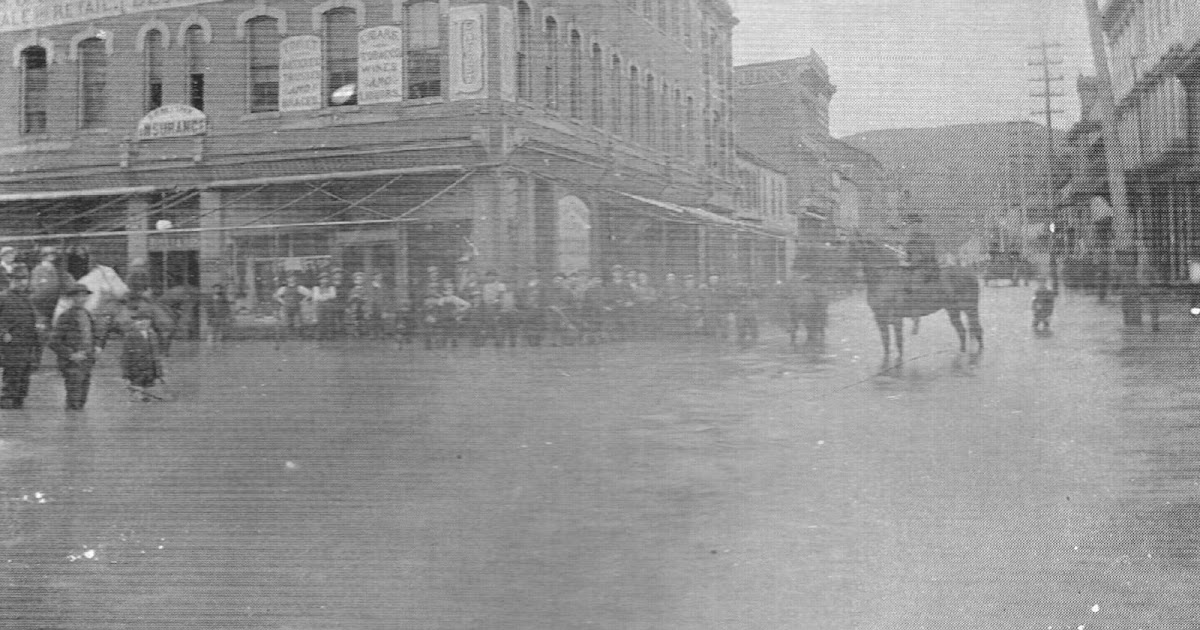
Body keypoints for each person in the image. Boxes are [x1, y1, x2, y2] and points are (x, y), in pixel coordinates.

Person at [48, 284, 106, 411]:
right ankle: (71, 425)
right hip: (72, 364)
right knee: (74, 400)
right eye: (78, 296)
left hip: (87, 362)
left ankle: (79, 426)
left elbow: (96, 335)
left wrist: (97, 347)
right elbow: (53, 342)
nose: (82, 298)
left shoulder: (88, 315)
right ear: (72, 298)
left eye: (84, 295)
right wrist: (71, 354)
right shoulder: (65, 316)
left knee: (82, 399)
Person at [0, 265, 39, 409]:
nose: (21, 282)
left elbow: (32, 320)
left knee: (24, 373)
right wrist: (3, 333)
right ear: (11, 280)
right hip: (11, 344)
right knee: (13, 372)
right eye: (18, 279)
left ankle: (18, 400)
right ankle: (7, 400)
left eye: (24, 279)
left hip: (27, 343)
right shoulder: (3, 297)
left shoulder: (27, 299)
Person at [121, 312, 164, 401]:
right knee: (138, 399)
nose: (142, 322)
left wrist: (159, 373)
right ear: (135, 322)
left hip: (150, 374)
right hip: (136, 373)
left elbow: (156, 356)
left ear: (150, 322)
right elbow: (125, 357)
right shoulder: (130, 336)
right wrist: (126, 376)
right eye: (139, 320)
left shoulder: (153, 335)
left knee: (150, 400)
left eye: (146, 320)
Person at [273, 274, 311, 339]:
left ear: (295, 278)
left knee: (298, 323)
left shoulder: (299, 288)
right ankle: (289, 338)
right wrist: (282, 301)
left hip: (296, 308)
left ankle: (299, 337)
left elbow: (309, 294)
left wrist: (303, 301)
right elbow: (276, 296)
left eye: (292, 277)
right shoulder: (283, 288)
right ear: (287, 279)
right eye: (289, 277)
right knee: (287, 323)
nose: (291, 279)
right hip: (287, 308)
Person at [310, 274, 339, 341]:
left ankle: (330, 336)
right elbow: (316, 297)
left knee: (330, 321)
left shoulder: (331, 288)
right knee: (320, 321)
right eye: (323, 279)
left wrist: (323, 296)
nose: (324, 281)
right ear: (320, 280)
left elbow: (333, 296)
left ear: (328, 280)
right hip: (320, 306)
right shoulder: (316, 288)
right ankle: (319, 336)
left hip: (329, 306)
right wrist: (326, 296)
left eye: (326, 279)